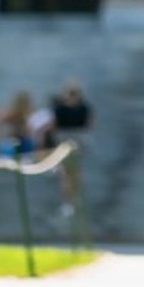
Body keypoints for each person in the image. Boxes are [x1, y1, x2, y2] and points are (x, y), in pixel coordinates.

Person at [50, 79, 94, 215]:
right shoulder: (85, 107)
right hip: (79, 140)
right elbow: (90, 124)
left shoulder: (59, 108)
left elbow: (54, 126)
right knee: (77, 171)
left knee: (65, 175)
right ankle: (76, 197)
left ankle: (67, 203)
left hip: (64, 140)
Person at [0, 90, 37, 159]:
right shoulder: (13, 113)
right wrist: (0, 135)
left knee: (28, 152)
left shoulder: (27, 112)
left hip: (23, 140)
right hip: (13, 140)